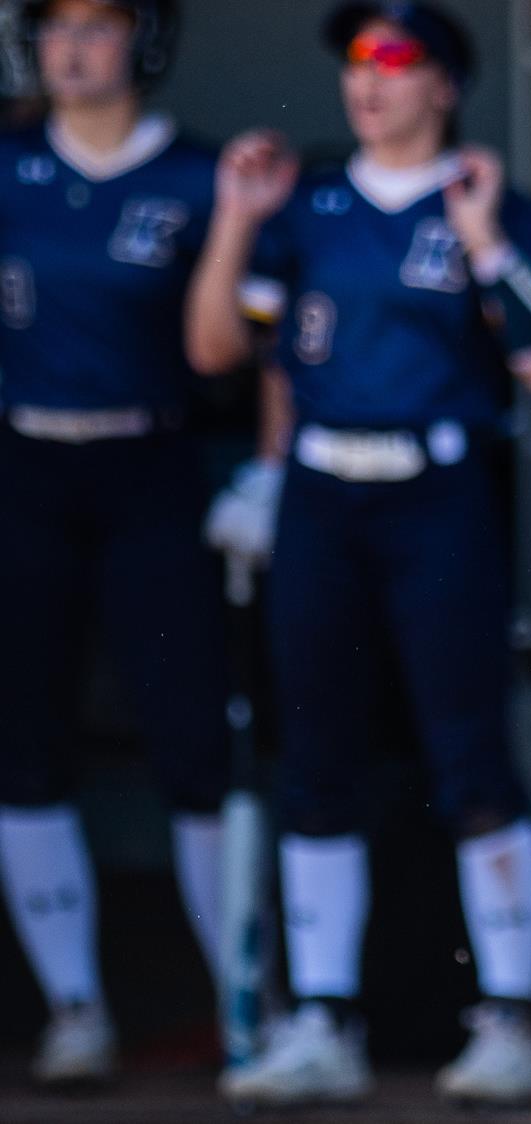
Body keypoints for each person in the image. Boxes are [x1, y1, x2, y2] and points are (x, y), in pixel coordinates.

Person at [183, 0, 531, 1108]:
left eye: (396, 60)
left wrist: (491, 238)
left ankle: (509, 1022)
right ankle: (323, 1019)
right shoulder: (304, 200)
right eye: (357, 61)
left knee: (469, 754)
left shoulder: (483, 202)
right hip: (318, 496)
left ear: (443, 83)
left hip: (438, 493)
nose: (370, 79)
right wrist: (230, 217)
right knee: (314, 758)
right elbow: (221, 348)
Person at [0, 0, 230, 1087]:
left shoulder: (198, 176)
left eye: (98, 22)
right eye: (53, 25)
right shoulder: (7, 168)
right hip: (24, 466)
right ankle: (73, 1006)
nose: (74, 45)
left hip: (153, 466)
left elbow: (239, 353)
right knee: (22, 739)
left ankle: (242, 1002)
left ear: (141, 40)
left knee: (190, 737)